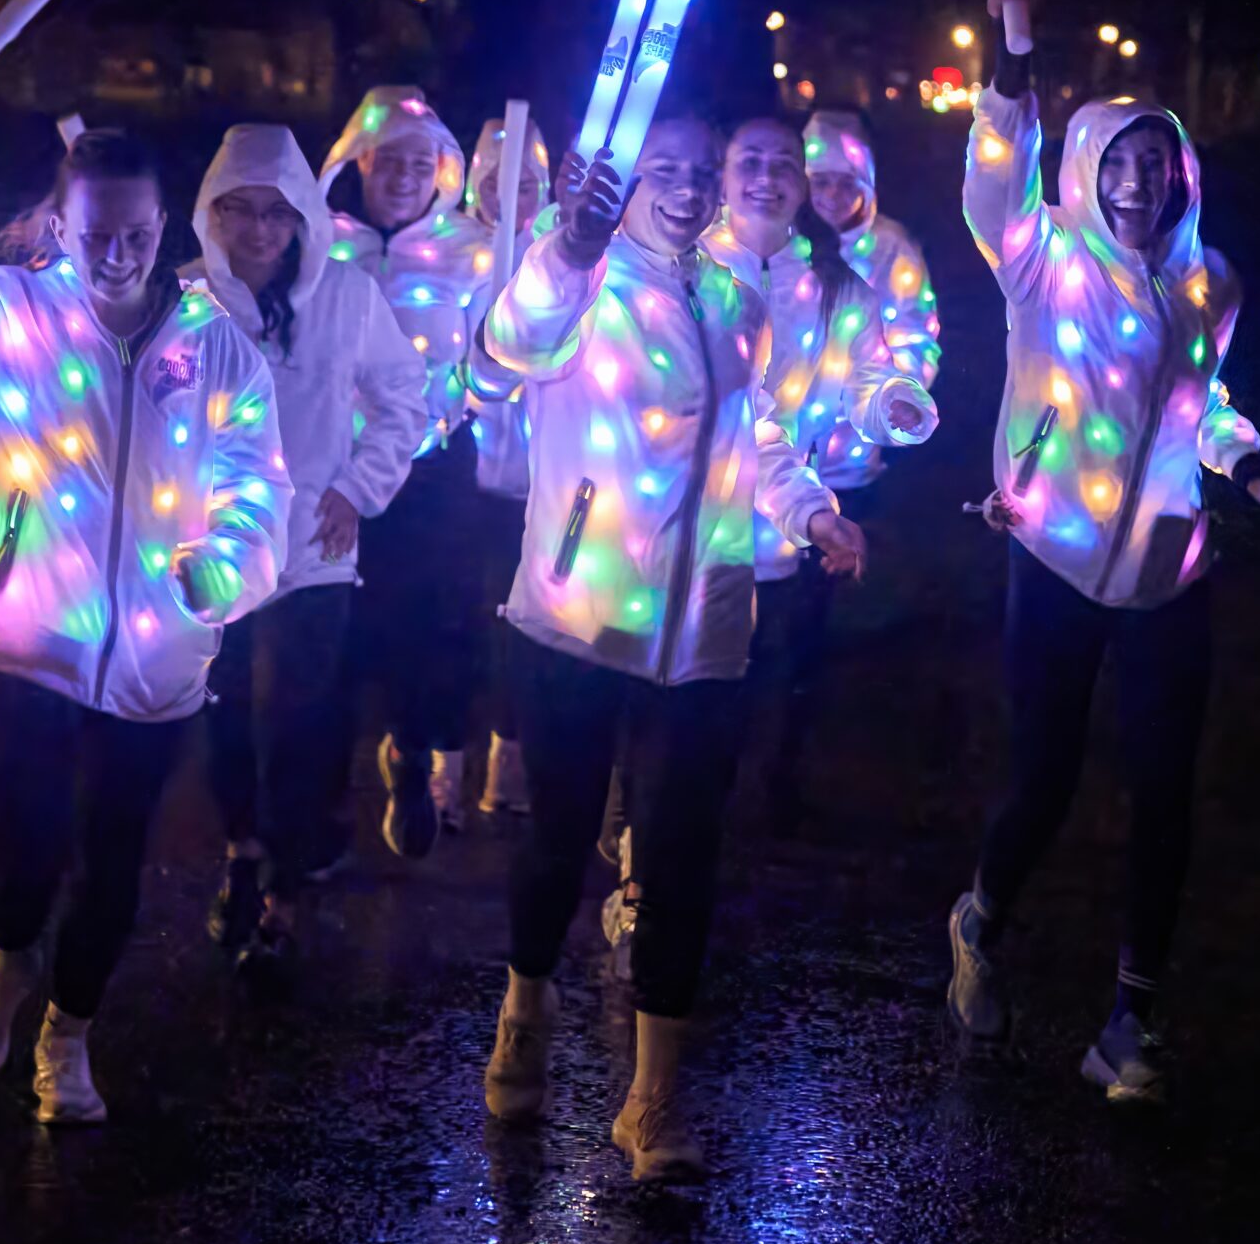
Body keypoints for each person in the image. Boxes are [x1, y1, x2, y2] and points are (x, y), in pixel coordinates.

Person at [0, 112, 291, 1122]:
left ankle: (68, 1036)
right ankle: (8, 959)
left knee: (113, 863)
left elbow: (257, 485)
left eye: (137, 235)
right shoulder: (9, 318)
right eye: (96, 236)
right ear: (60, 225)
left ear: (167, 225)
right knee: (23, 842)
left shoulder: (218, 351)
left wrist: (224, 570)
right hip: (26, 644)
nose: (117, 256)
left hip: (158, 666)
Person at [475, 118, 865, 1180]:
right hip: (578, 616)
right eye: (665, 172)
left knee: (681, 854)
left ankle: (652, 1099)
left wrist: (812, 512)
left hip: (703, 629)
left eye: (700, 174)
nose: (688, 191)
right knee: (559, 840)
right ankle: (525, 1006)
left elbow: (756, 431)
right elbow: (511, 342)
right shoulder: (579, 277)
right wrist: (567, 244)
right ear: (628, 181)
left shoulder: (736, 298)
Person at [947, 0, 1260, 1104]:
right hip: (1052, 557)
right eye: (1116, 162)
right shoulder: (1040, 259)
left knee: (1162, 791)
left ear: (1180, 173)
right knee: (1045, 780)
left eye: (1155, 162)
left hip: (1167, 573)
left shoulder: (1210, 287)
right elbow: (994, 173)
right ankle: (980, 916)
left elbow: (1203, 407)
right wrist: (1012, 44)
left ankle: (1129, 1024)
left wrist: (1245, 463)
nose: (1137, 182)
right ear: (1085, 169)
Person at [190, 125, 425, 968]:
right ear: (212, 213)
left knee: (295, 718)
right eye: (241, 211)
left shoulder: (347, 297)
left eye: (277, 213)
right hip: (207, 544)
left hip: (312, 546)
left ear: (301, 219)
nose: (259, 231)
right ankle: (242, 852)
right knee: (219, 710)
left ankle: (285, 889)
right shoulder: (187, 302)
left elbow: (403, 394)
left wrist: (358, 487)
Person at [702, 117, 936, 835]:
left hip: (790, 517)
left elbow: (874, 374)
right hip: (680, 527)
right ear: (723, 176)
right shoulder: (684, 266)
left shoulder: (838, 289)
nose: (766, 177)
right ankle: (658, 824)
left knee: (775, 662)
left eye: (784, 165)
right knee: (683, 686)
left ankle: (758, 795)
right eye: (750, 161)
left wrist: (893, 404)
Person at [318, 86, 489, 848]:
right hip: (334, 472)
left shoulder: (471, 249)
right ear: (359, 159)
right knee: (331, 630)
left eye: (422, 164)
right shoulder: (319, 240)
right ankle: (317, 810)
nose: (405, 177)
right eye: (390, 160)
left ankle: (409, 752)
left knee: (425, 624)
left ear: (444, 171)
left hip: (429, 476)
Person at [458, 115, 556, 819]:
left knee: (521, 626)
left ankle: (509, 759)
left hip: (540, 483)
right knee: (462, 624)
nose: (510, 196)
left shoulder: (558, 258)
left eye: (525, 184)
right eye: (496, 181)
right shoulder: (451, 254)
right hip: (464, 481)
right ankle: (442, 762)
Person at [802, 110, 944, 496]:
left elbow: (915, 336)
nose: (833, 196)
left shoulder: (892, 249)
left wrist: (892, 400)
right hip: (777, 467)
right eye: (821, 181)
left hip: (855, 462)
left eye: (847, 182)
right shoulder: (784, 246)